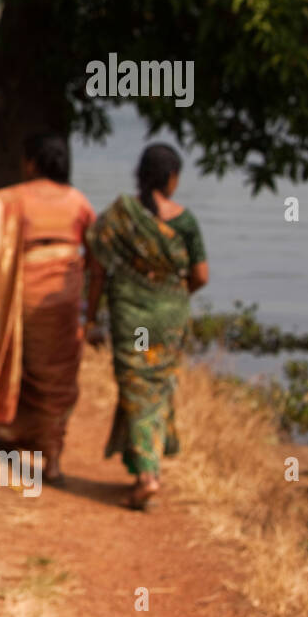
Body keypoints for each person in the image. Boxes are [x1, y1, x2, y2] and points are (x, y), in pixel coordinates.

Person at [0, 133, 96, 483]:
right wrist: (92, 311)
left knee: (18, 360)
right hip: (65, 294)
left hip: (26, 290)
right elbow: (95, 253)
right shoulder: (79, 201)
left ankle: (8, 438)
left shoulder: (15, 198)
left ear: (32, 163)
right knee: (58, 376)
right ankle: (51, 460)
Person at [85, 143, 208, 510]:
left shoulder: (121, 215)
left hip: (133, 316)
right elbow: (201, 275)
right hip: (169, 317)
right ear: (171, 178)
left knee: (136, 386)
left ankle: (147, 475)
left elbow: (97, 268)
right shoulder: (185, 221)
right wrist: (173, 295)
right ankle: (146, 464)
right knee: (155, 386)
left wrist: (89, 317)